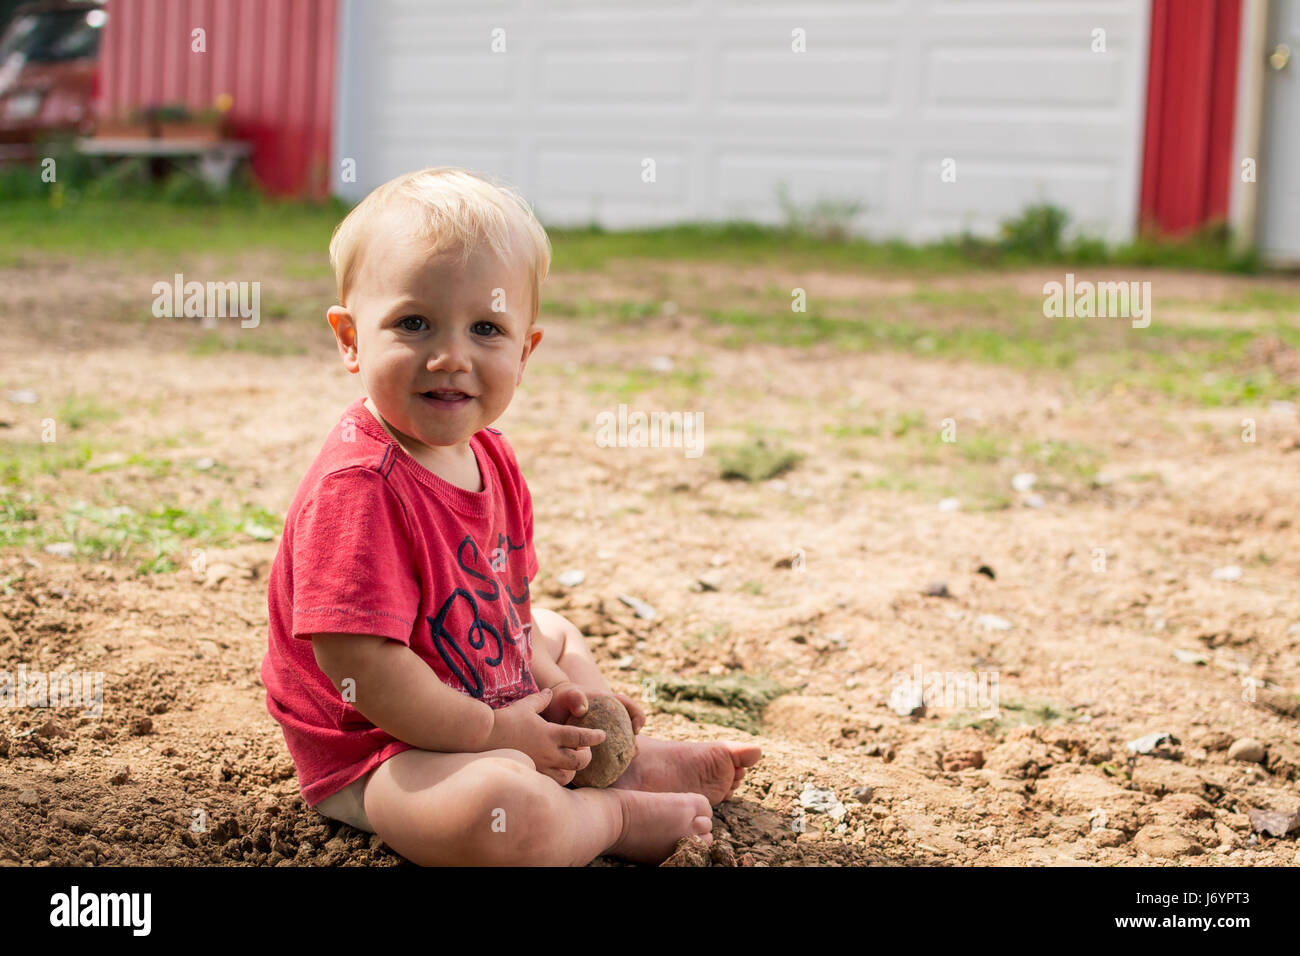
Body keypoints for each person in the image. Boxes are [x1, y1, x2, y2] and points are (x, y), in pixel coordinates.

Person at [260, 167, 761, 865]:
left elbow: (506, 611)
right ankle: (611, 814)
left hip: (484, 693)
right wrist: (495, 733)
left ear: (524, 352)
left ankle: (603, 753)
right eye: (413, 323)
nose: (450, 356)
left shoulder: (490, 457)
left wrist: (558, 694)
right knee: (503, 812)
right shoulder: (359, 488)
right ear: (350, 338)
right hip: (387, 749)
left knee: (555, 630)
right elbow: (361, 669)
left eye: (486, 329)